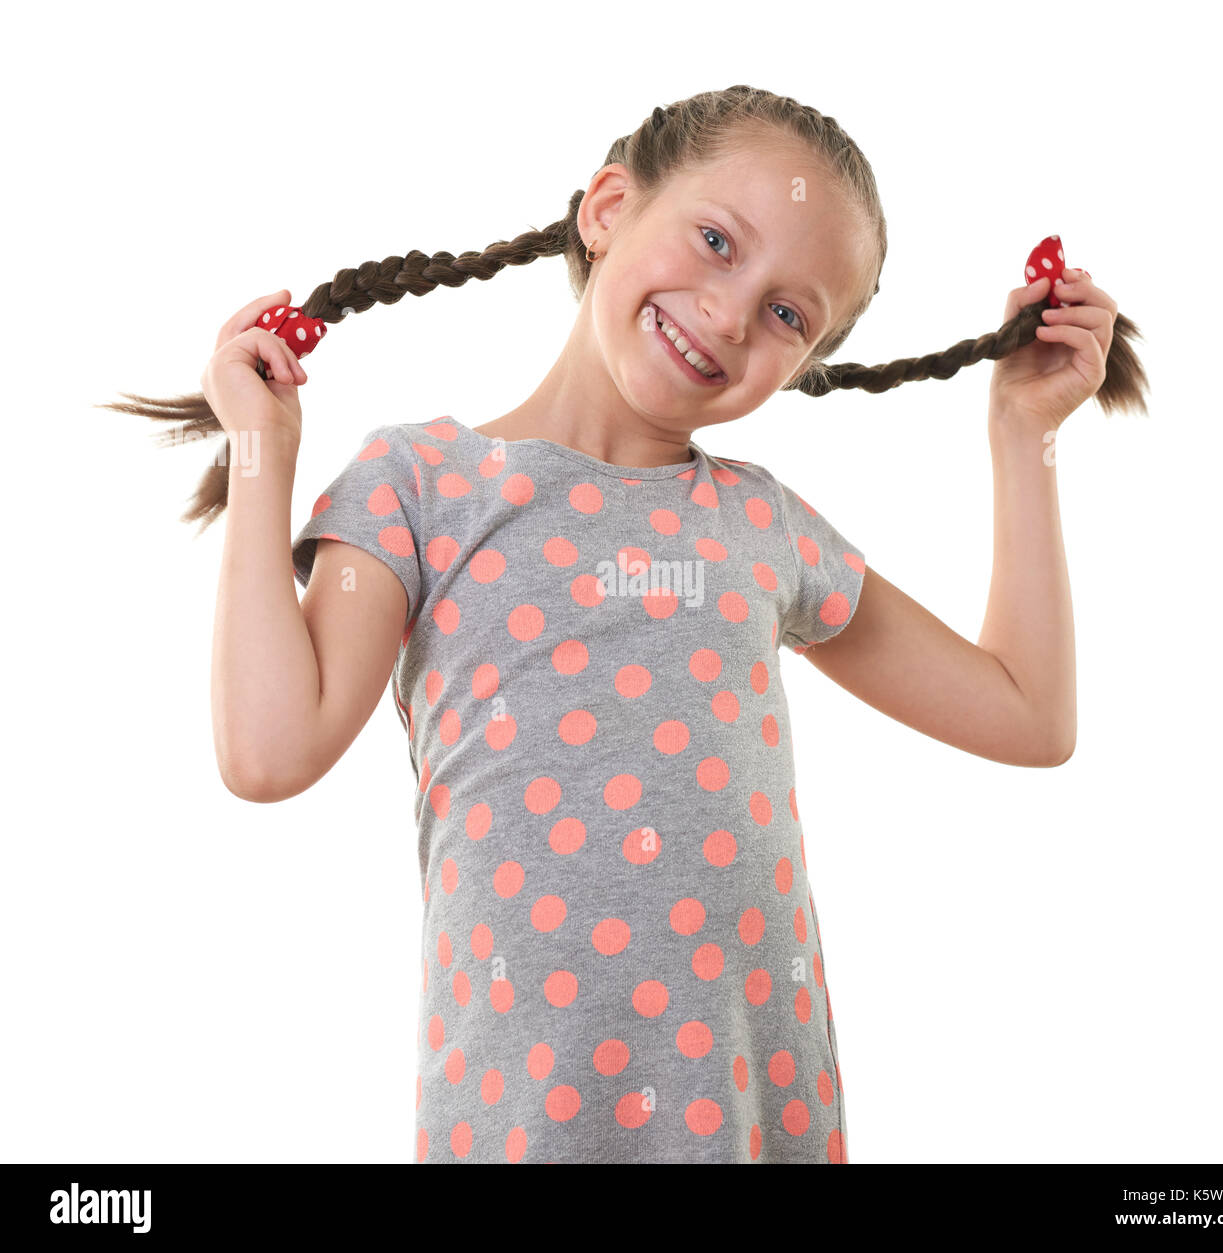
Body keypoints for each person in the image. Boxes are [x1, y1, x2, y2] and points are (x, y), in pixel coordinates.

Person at [103, 85, 1145, 1164]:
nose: (733, 313)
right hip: (527, 1121)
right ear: (608, 208)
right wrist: (260, 448)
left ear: (808, 363)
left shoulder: (760, 527)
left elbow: (1029, 714)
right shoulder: (419, 482)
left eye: (791, 314)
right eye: (715, 239)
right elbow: (270, 751)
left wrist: (1024, 433)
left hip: (756, 1120)